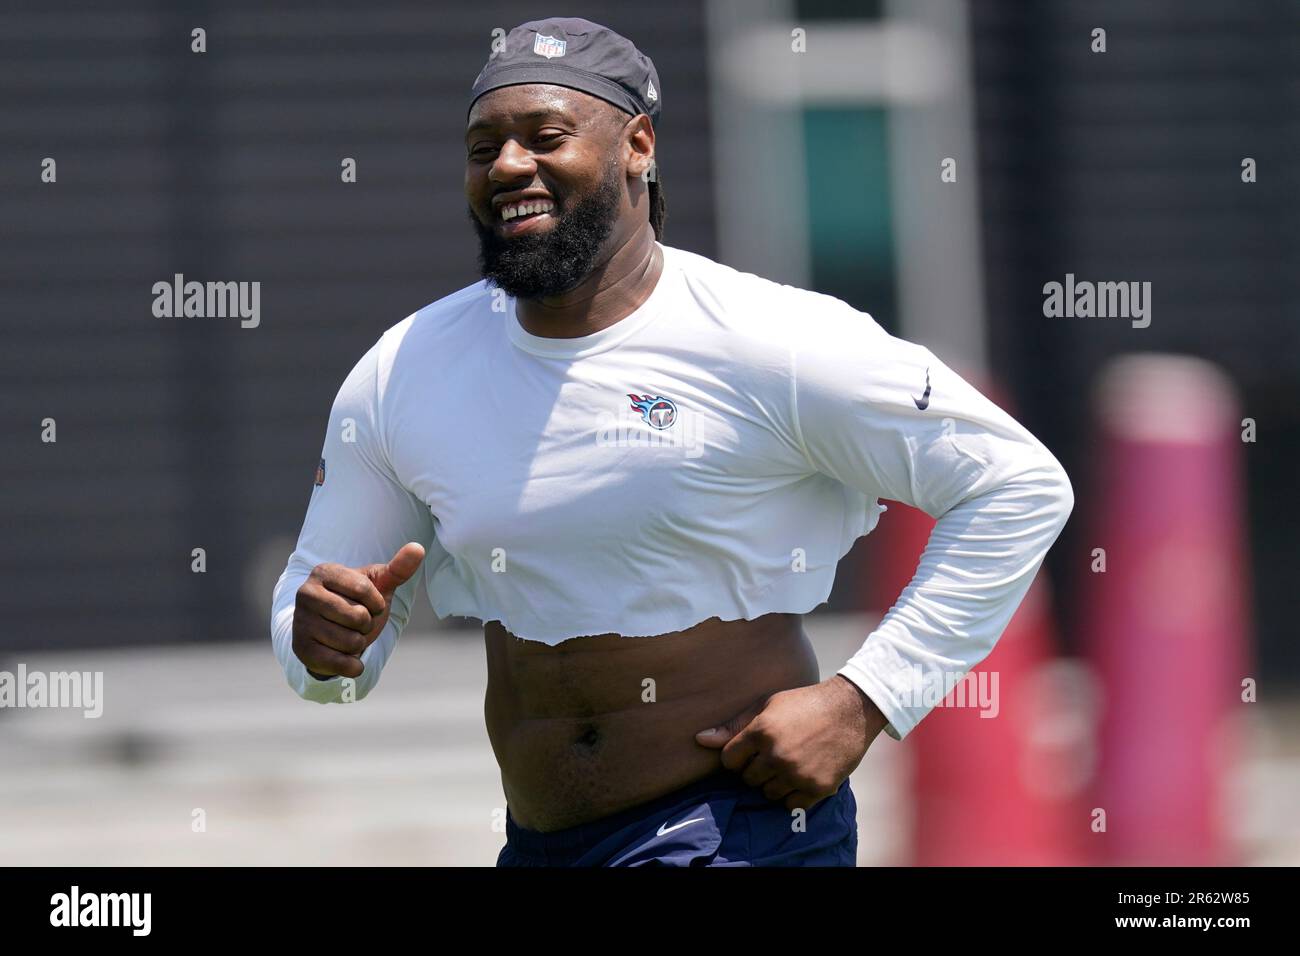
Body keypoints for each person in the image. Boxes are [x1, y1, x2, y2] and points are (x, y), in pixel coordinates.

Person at [270, 17, 1074, 867]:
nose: (508, 166)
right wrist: (325, 645)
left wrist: (863, 700)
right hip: (539, 844)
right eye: (483, 147)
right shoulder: (404, 370)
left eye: (545, 137)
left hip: (738, 831)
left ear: (637, 146)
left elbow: (1017, 485)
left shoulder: (771, 339)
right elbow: (323, 644)